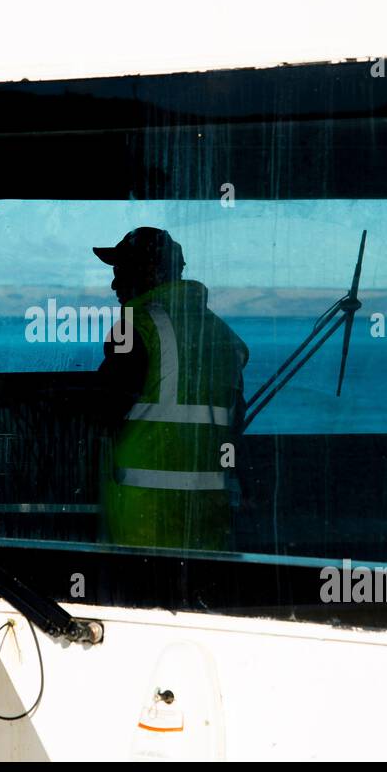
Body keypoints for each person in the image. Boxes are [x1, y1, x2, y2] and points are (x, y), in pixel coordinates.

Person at [94, 227, 249, 551]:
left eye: (121, 271)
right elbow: (234, 421)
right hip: (210, 519)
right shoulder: (222, 334)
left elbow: (103, 409)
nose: (114, 284)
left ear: (150, 270)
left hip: (144, 518)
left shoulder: (138, 326)